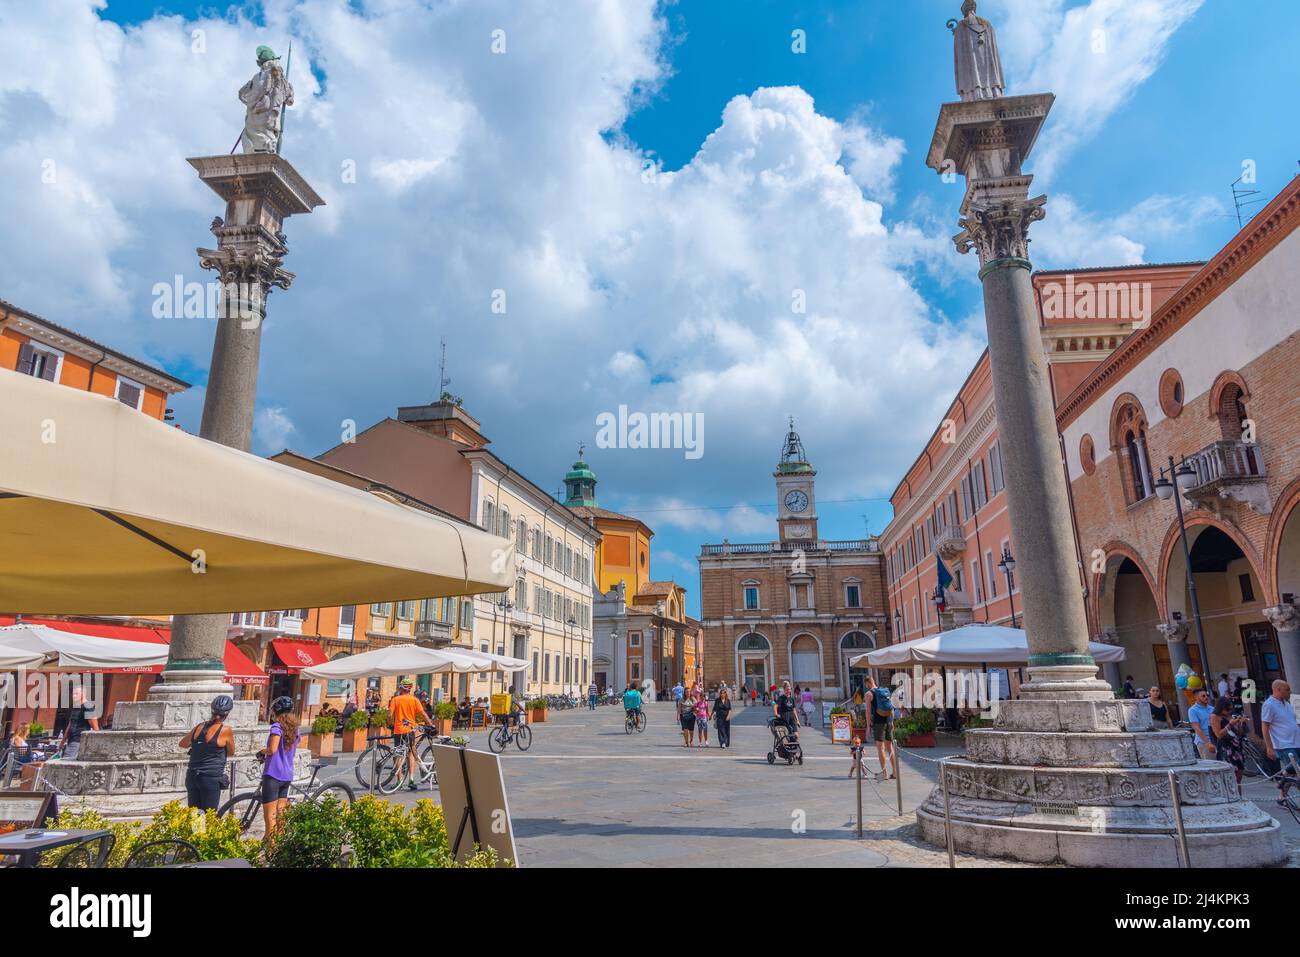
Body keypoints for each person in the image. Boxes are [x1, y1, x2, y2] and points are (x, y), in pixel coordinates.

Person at [180, 695, 237, 812]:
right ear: (227, 713)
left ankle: (197, 831)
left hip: (192, 776)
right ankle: (206, 831)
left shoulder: (200, 726)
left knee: (195, 815)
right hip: (210, 777)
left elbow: (183, 744)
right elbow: (231, 752)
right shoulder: (225, 730)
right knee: (209, 816)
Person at [258, 696, 300, 843]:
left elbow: (273, 749)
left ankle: (271, 849)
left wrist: (262, 751)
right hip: (286, 775)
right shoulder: (295, 730)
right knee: (281, 814)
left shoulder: (276, 727)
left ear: (276, 711)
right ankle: (280, 850)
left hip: (273, 774)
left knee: (270, 817)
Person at [1262, 679, 1300, 802]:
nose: (1289, 692)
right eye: (1287, 689)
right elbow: (1265, 726)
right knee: (1296, 769)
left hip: (1296, 741)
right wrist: (1269, 747)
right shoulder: (1269, 704)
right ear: (1278, 689)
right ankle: (1284, 781)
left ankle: (1282, 794)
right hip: (1283, 744)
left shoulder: (1287, 704)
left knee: (1291, 771)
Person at [389, 680, 430, 791]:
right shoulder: (415, 700)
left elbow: (390, 715)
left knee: (398, 755)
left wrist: (390, 724)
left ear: (401, 688)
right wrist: (430, 724)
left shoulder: (395, 700)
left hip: (398, 731)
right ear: (410, 689)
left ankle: (399, 781)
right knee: (411, 754)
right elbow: (423, 714)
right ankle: (411, 780)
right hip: (410, 730)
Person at [1209, 696, 1247, 791]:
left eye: (1231, 709)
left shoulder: (1229, 715)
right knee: (1230, 776)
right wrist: (1230, 725)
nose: (1229, 711)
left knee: (1239, 776)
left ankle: (1239, 797)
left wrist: (1241, 723)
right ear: (1221, 707)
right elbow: (1218, 734)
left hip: (1237, 747)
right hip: (1226, 748)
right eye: (1227, 709)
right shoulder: (1214, 717)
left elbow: (1240, 733)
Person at [865, 676, 898, 780]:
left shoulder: (869, 694)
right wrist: (892, 722)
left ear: (867, 684)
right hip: (888, 720)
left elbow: (868, 712)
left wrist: (868, 727)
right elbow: (891, 707)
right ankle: (895, 772)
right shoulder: (884, 691)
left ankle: (884, 774)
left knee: (880, 748)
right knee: (890, 747)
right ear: (874, 681)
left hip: (878, 722)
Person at [60, 685, 100, 760]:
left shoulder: (88, 706)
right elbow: (70, 725)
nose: (73, 696)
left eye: (76, 693)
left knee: (66, 764)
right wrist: (62, 742)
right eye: (73, 694)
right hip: (71, 741)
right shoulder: (76, 707)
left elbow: (95, 727)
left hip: (79, 741)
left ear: (83, 694)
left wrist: (96, 744)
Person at [1186, 687, 1215, 759]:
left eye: (1207, 695)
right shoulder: (1192, 710)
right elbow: (1196, 728)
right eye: (1203, 696)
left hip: (1215, 739)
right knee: (1211, 766)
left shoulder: (1212, 708)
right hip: (1204, 742)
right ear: (1196, 697)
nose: (1206, 697)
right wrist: (1207, 743)